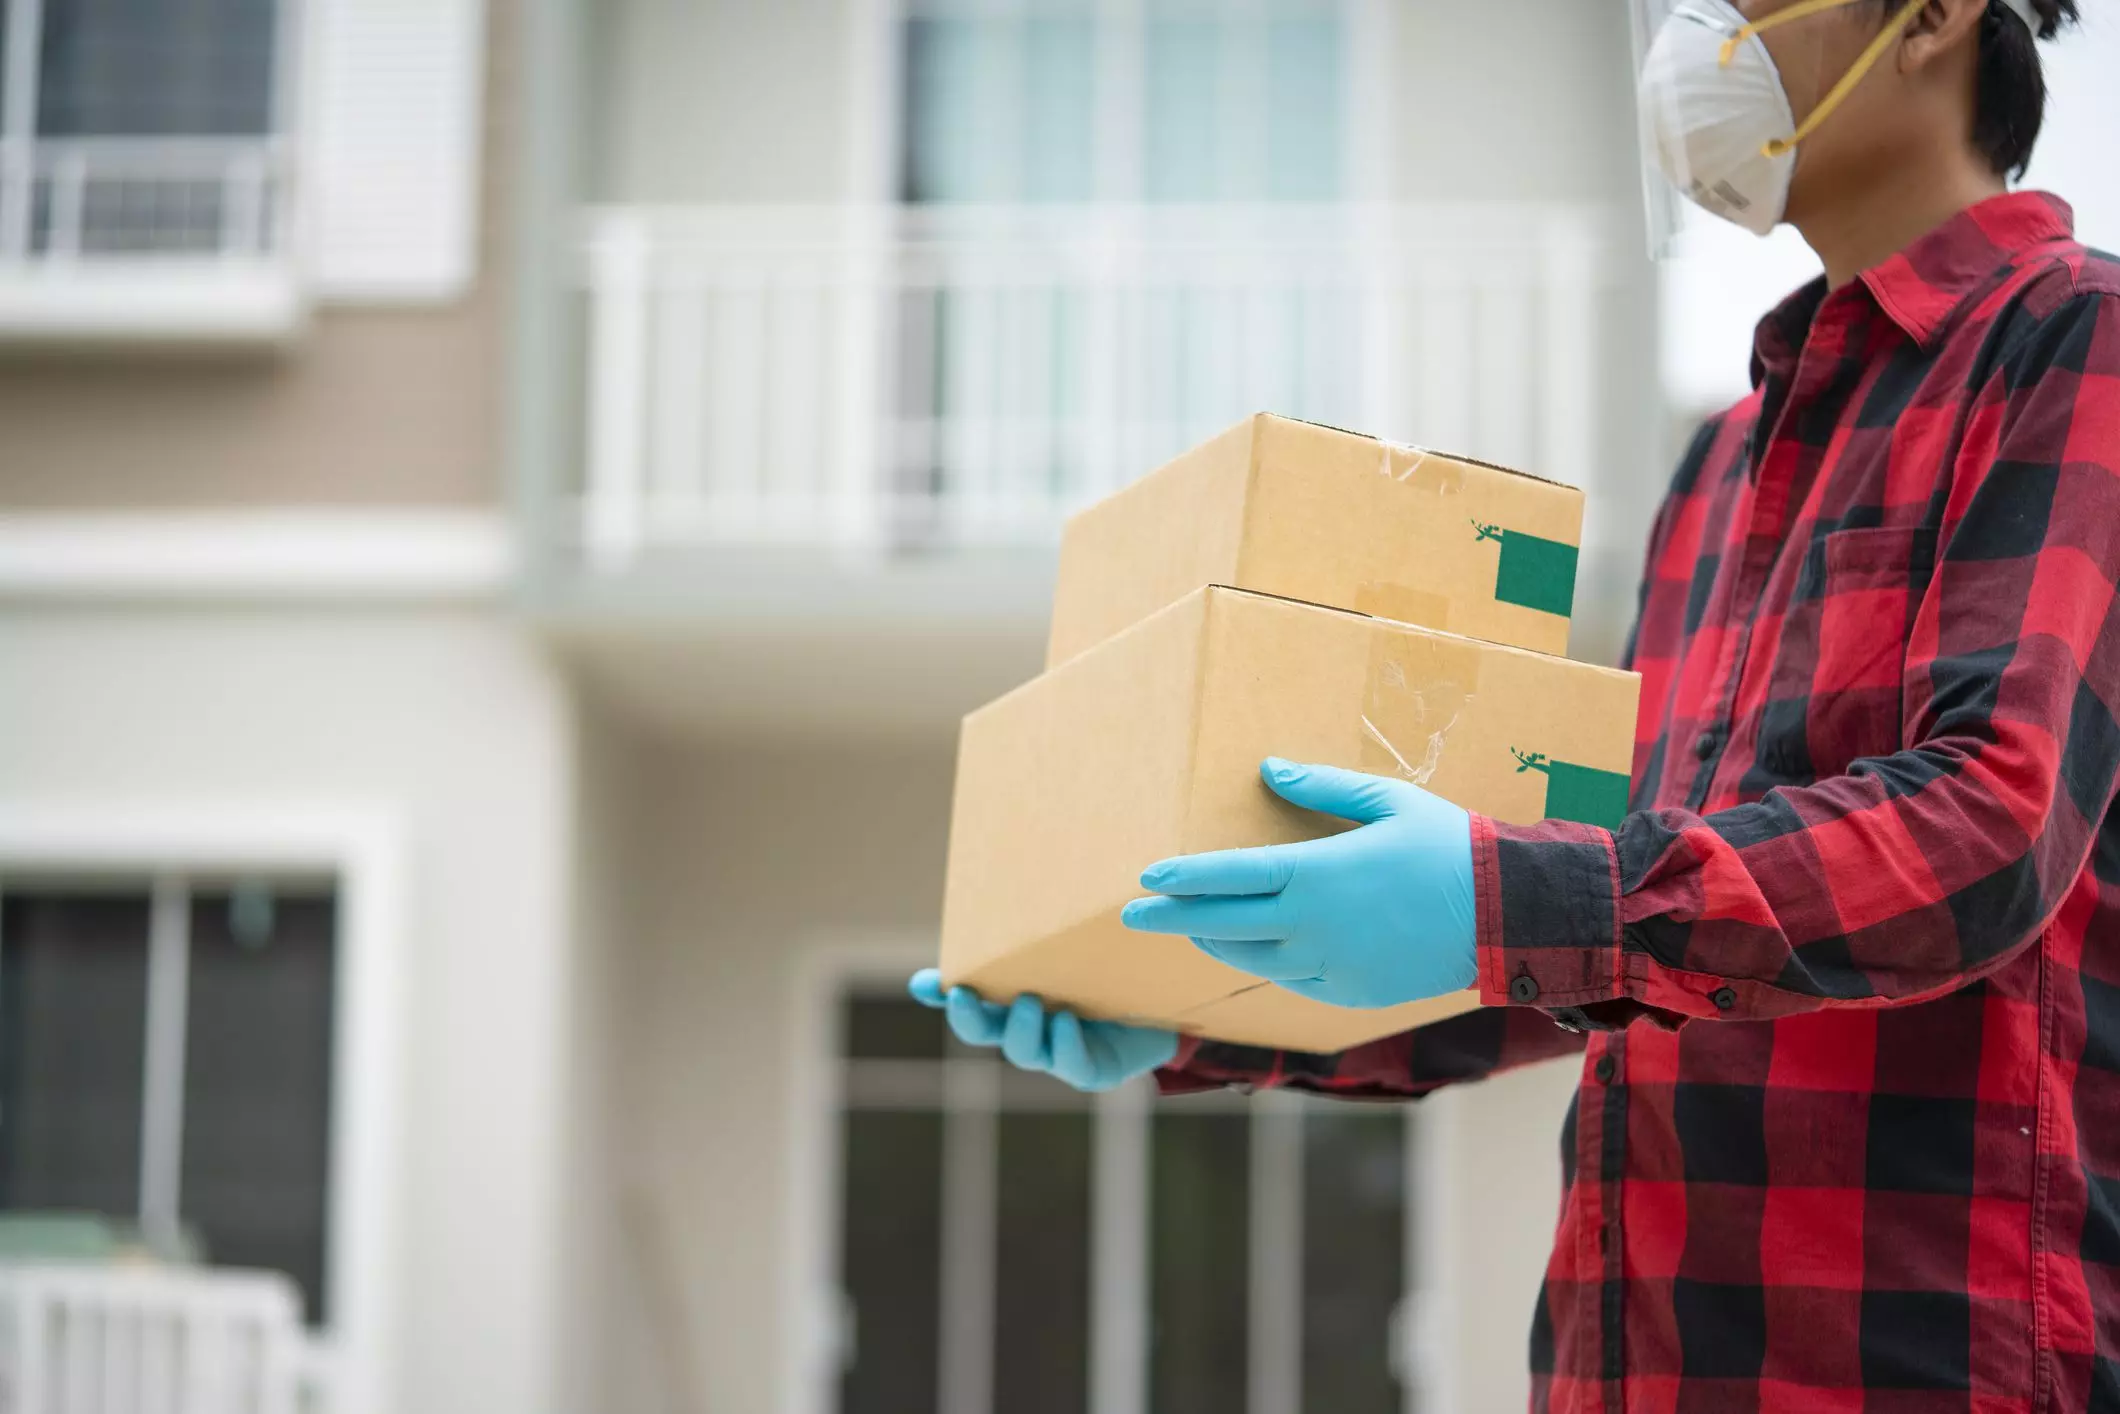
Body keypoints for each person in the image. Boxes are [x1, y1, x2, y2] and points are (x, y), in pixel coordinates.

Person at [913, 0, 2120, 1407]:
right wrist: (1192, 1002)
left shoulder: (2076, 344)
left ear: (1931, 19)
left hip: (1916, 1363)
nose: (1699, 30)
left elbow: (1985, 828)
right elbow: (1575, 948)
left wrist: (1496, 893)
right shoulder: (1721, 469)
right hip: (1631, 1367)